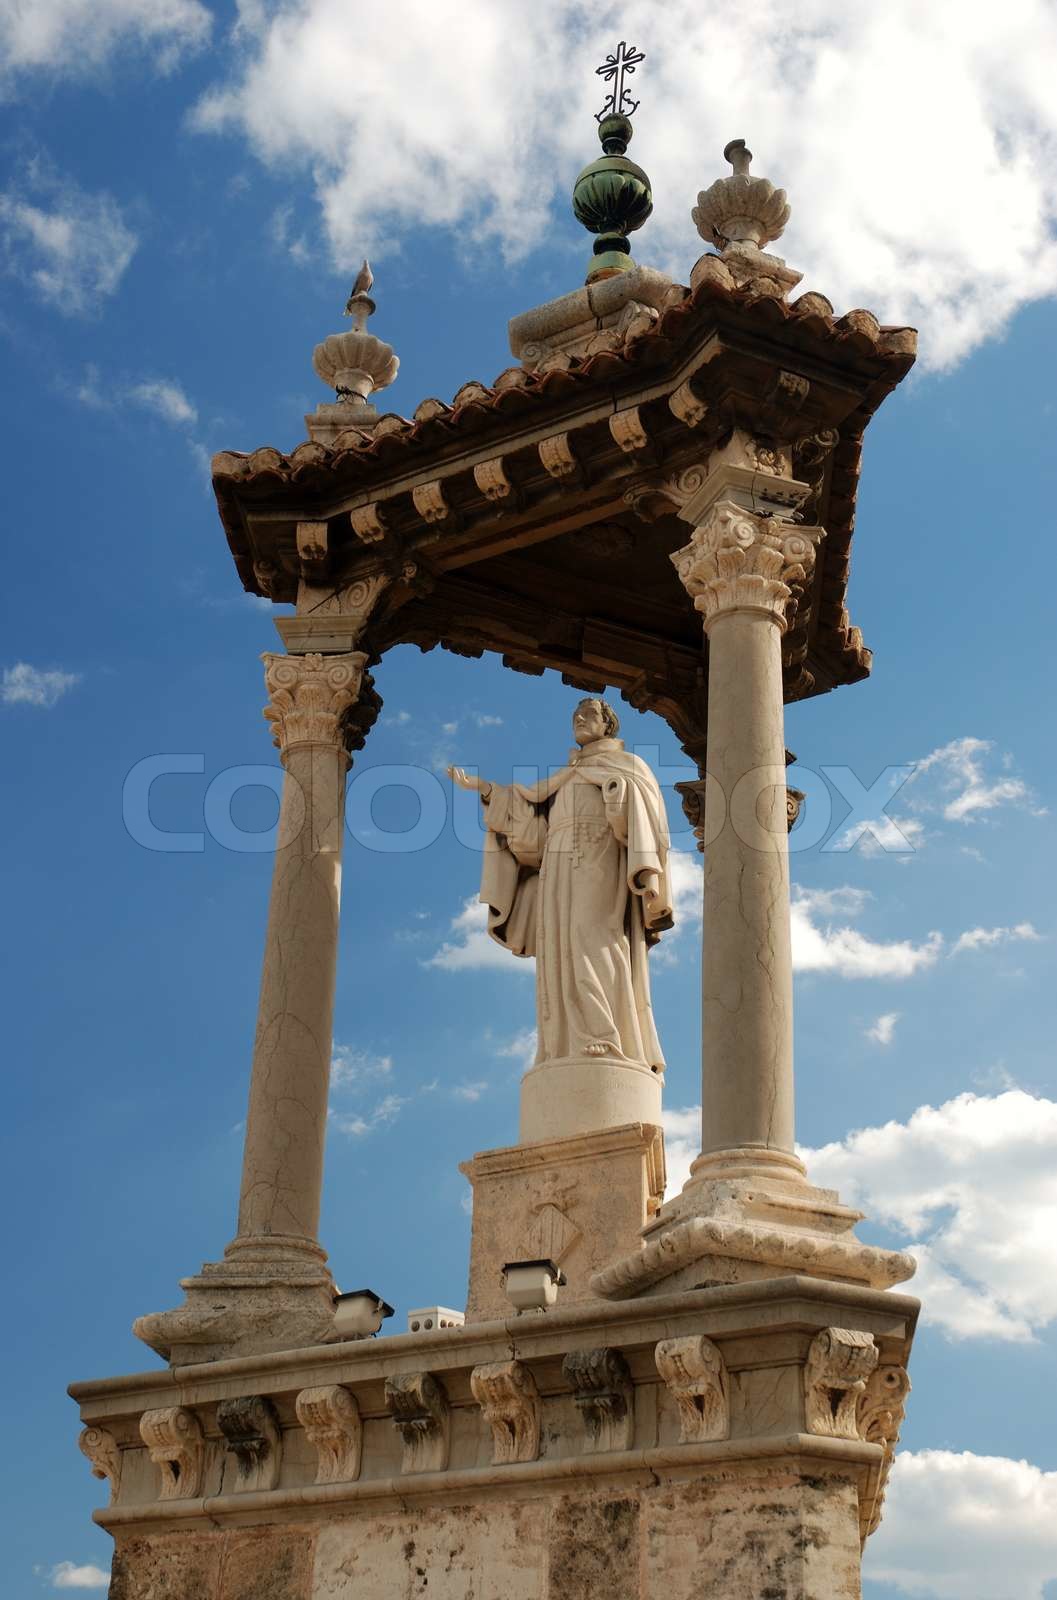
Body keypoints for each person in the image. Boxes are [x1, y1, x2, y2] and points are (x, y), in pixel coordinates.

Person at [448, 697, 672, 1077]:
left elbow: (643, 823)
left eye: (589, 715)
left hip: (599, 860)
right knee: (559, 948)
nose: (580, 720)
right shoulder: (564, 777)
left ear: (608, 724)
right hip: (557, 867)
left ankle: (606, 1033)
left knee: (593, 939)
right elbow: (534, 837)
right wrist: (488, 791)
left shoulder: (627, 767)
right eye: (575, 715)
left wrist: (617, 792)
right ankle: (565, 1043)